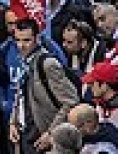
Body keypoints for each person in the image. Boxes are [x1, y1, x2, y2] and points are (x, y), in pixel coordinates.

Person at [12, 18, 79, 154]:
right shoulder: (23, 61)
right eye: (17, 40)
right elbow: (20, 95)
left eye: (26, 40)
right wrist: (13, 122)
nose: (21, 45)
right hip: (24, 134)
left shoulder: (48, 64)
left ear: (37, 38)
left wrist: (51, 133)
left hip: (41, 136)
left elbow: (70, 101)